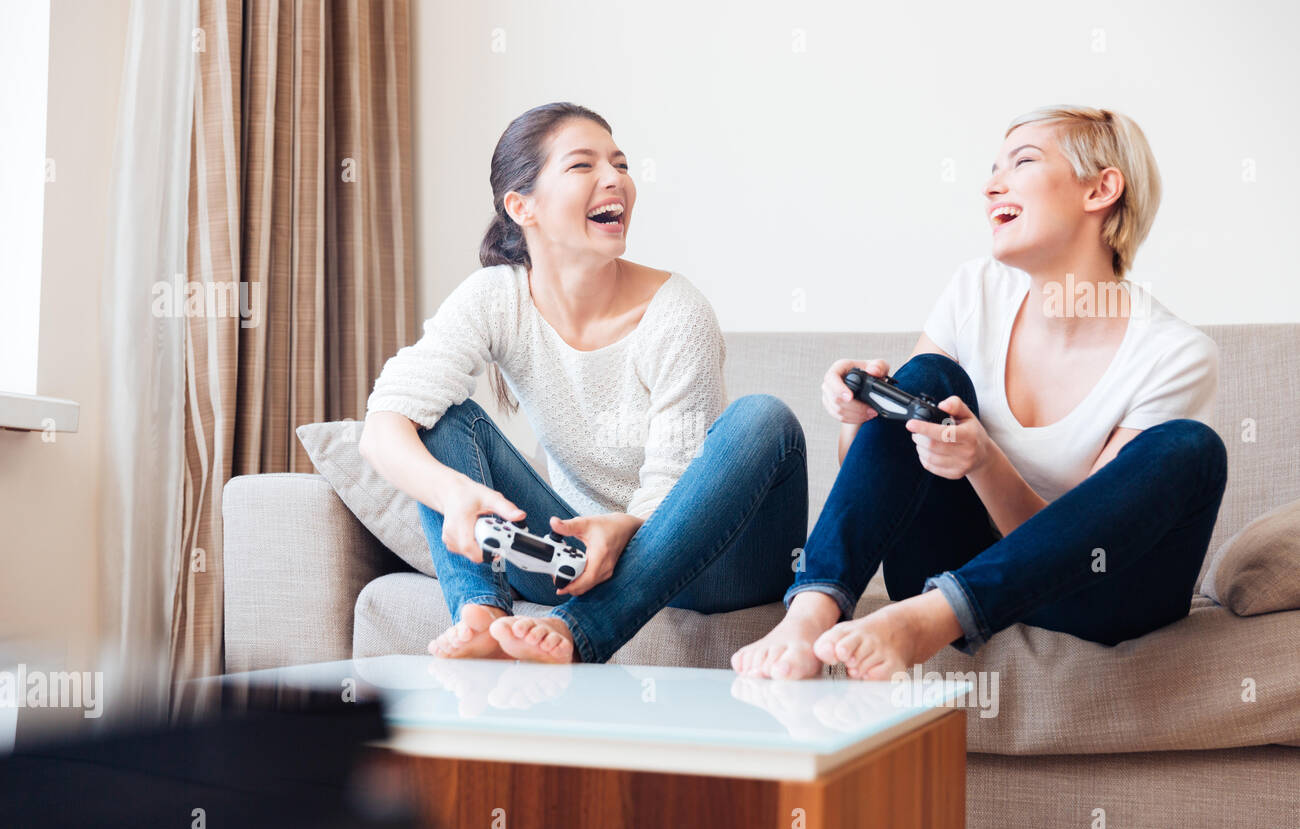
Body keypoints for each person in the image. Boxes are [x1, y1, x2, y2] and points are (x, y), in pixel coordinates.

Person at [733, 105, 1226, 680]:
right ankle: (811, 614)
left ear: (1101, 189)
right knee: (926, 379)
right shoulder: (975, 291)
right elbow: (877, 483)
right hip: (944, 561)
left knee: (1191, 448)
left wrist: (985, 461)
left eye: (1022, 162)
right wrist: (860, 416)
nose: (992, 185)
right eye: (993, 168)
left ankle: (928, 619)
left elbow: (1081, 551)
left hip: (1096, 593)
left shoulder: (1173, 354)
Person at [360, 102, 808, 664]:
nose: (614, 178)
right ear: (523, 207)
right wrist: (450, 494)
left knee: (764, 420)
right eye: (583, 166)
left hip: (706, 561)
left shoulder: (677, 312)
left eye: (619, 163)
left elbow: (671, 483)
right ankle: (481, 614)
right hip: (575, 561)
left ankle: (580, 633)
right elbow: (384, 425)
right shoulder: (496, 298)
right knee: (437, 419)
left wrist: (625, 528)